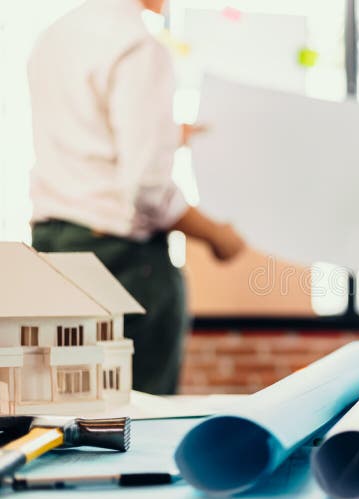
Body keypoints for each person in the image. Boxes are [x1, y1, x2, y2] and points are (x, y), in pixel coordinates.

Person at [27, 0, 246, 394]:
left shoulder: (54, 36)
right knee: (138, 422)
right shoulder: (138, 46)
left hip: (51, 250)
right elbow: (147, 190)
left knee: (65, 410)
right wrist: (217, 235)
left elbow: (86, 142)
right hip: (119, 261)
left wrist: (165, 137)